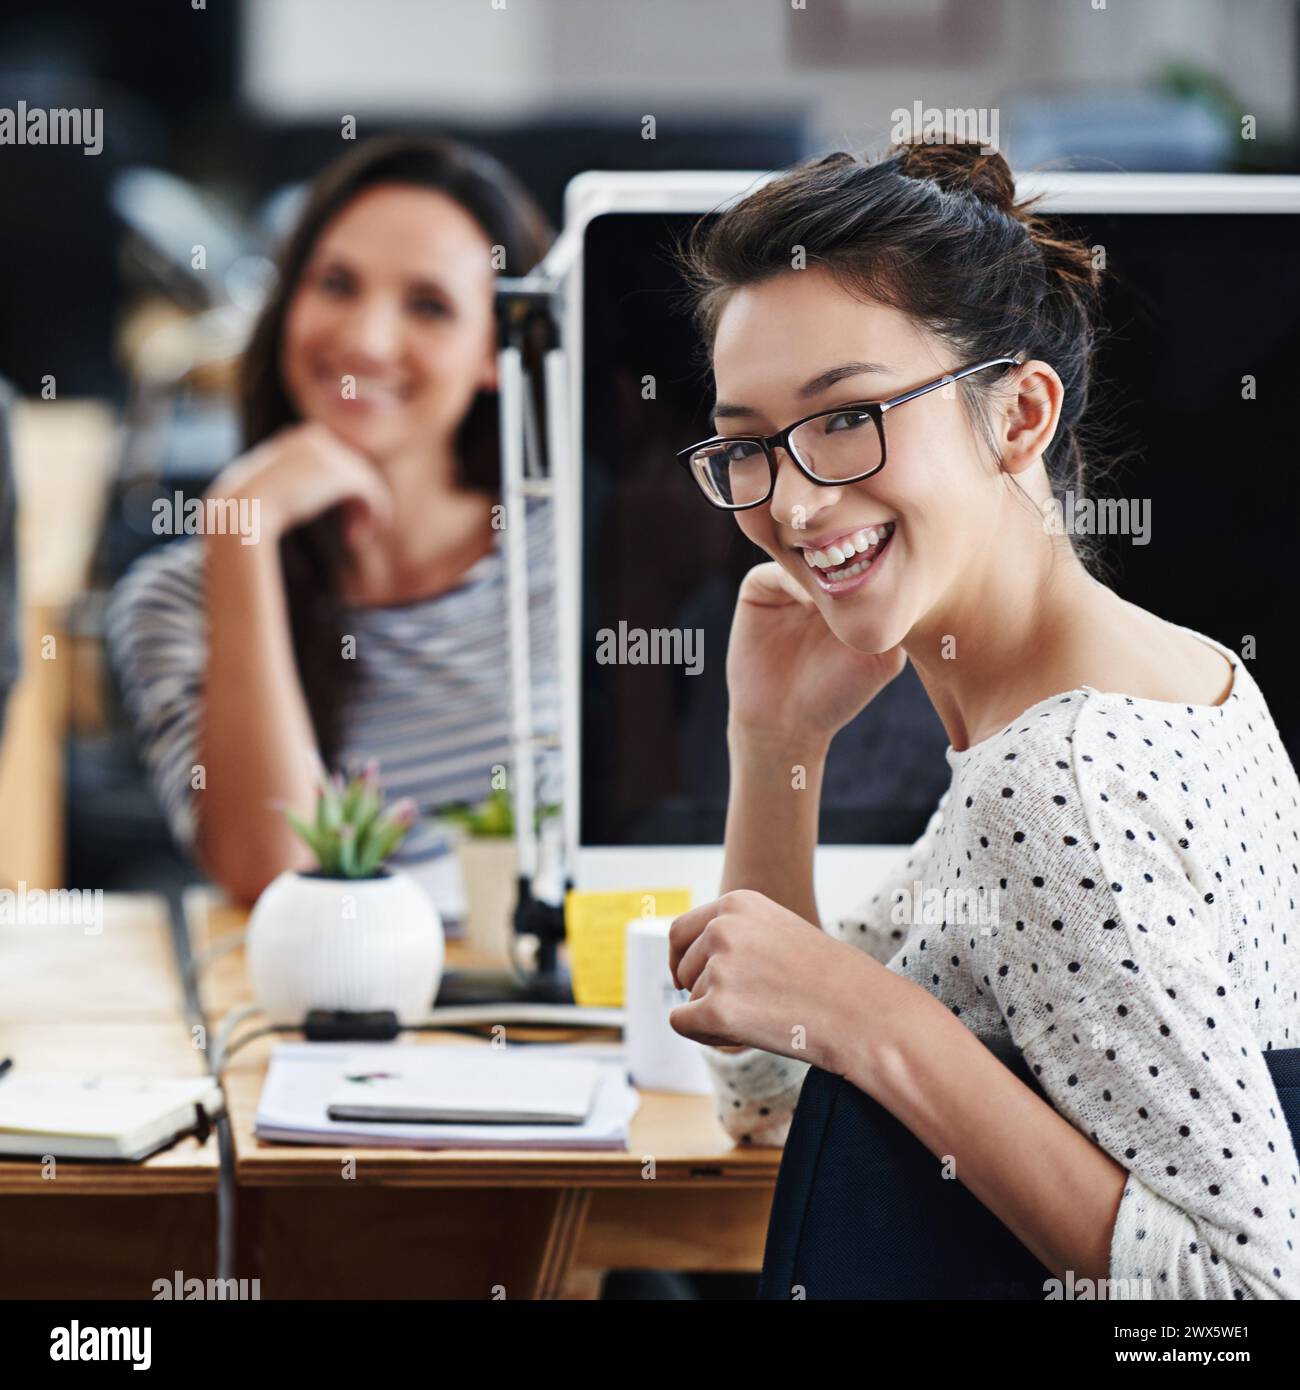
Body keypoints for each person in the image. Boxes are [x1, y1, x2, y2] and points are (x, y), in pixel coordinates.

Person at [666, 139, 1300, 1299]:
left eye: (848, 416)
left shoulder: (1061, 778)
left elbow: (1245, 1294)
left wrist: (880, 1026)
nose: (796, 502)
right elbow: (763, 1087)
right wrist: (776, 748)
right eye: (749, 443)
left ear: (1016, 416)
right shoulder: (1178, 680)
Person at [108, 135, 558, 914]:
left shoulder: (576, 559)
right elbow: (274, 874)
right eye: (337, 285)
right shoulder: (174, 598)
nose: (364, 341)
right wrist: (241, 535)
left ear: (499, 351)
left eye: (428, 305)